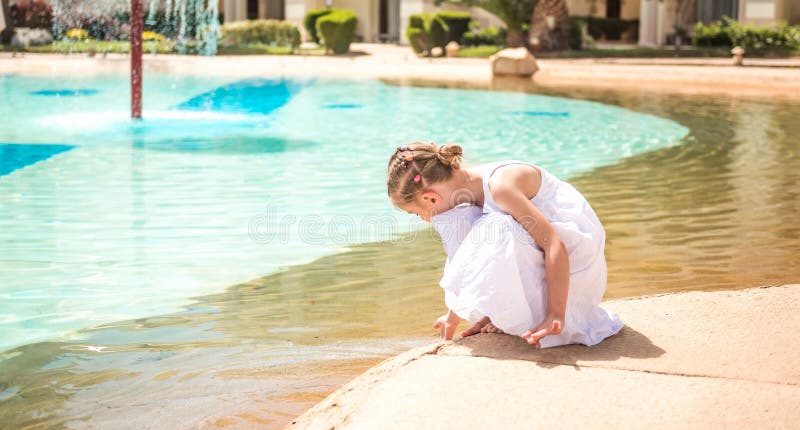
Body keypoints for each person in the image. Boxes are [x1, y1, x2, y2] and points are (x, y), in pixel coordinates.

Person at [386, 142, 622, 348]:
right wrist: (453, 315)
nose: (425, 219)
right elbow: (469, 255)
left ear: (430, 198)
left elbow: (554, 245)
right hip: (547, 253)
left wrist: (555, 314)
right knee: (463, 222)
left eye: (418, 214)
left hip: (573, 254)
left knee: (493, 226)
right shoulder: (468, 190)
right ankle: (498, 313)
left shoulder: (500, 189)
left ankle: (544, 310)